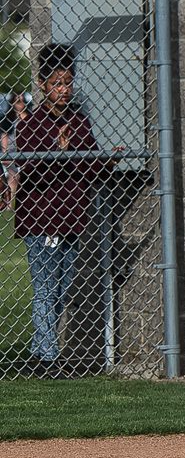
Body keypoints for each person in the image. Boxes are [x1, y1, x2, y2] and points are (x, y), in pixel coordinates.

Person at [13, 44, 110, 374]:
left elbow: (92, 166)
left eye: (68, 83)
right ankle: (49, 358)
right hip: (41, 220)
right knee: (44, 288)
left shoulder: (78, 121)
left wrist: (108, 160)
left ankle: (38, 351)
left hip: (71, 220)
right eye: (56, 84)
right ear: (42, 85)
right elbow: (32, 170)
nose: (64, 90)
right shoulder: (32, 124)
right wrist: (59, 151)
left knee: (60, 290)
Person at [1, 91, 32, 208]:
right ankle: (10, 204)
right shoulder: (8, 119)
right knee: (13, 176)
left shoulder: (30, 118)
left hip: (26, 153)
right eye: (17, 101)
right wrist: (5, 154)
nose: (20, 104)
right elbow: (4, 136)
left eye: (23, 101)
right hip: (12, 153)